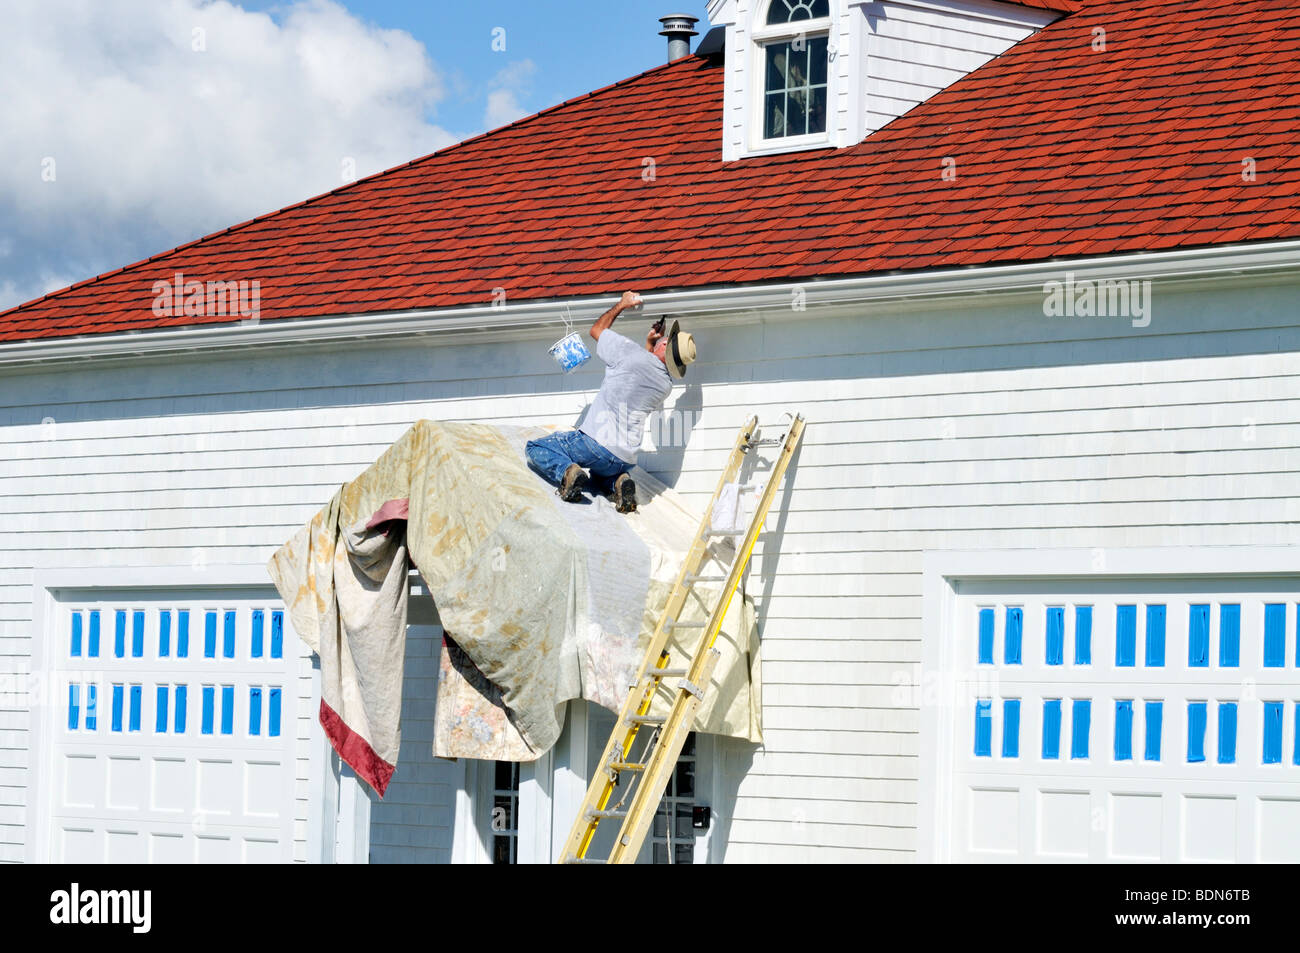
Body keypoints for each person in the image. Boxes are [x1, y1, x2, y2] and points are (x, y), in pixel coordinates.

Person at [526, 291, 697, 513]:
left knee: (536, 448)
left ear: (664, 346)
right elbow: (641, 374)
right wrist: (649, 344)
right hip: (623, 458)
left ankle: (568, 472)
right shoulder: (665, 386)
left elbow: (597, 330)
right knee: (599, 475)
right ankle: (618, 483)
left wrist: (622, 305)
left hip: (595, 443)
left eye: (666, 339)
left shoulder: (628, 352)